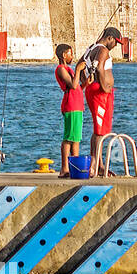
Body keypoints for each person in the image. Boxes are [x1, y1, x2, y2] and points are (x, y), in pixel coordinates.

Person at [77, 26, 122, 176]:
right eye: (115, 42)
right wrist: (105, 87)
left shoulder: (92, 48)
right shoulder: (103, 50)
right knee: (101, 129)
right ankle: (95, 165)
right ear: (109, 37)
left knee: (99, 129)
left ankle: (98, 163)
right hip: (100, 93)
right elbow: (101, 69)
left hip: (94, 90)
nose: (115, 46)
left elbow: (79, 65)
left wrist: (85, 81)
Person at [54, 43, 84, 177]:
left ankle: (74, 167)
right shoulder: (61, 69)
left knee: (76, 137)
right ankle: (64, 168)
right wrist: (78, 70)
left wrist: (85, 84)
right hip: (71, 105)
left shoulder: (68, 69)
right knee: (69, 138)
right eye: (70, 54)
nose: (72, 56)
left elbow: (77, 86)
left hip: (77, 105)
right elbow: (72, 85)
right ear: (63, 55)